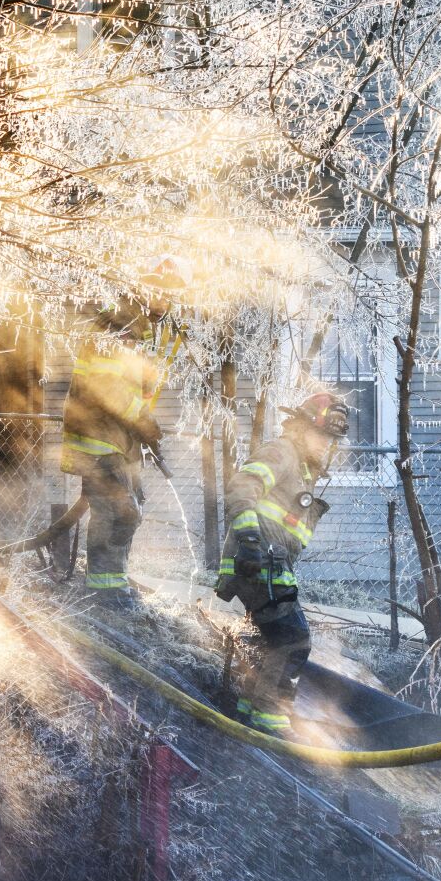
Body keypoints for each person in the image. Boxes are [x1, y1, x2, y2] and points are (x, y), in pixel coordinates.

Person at [213, 392, 349, 733]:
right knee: (292, 638)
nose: (325, 445)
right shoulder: (281, 452)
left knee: (274, 640)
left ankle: (248, 713)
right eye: (321, 435)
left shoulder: (304, 469)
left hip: (270, 566)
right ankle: (270, 722)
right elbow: (241, 486)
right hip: (257, 562)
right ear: (302, 428)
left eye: (331, 440)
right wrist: (249, 544)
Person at [60, 273, 182, 609]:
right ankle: (103, 591)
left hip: (117, 438)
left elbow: (131, 389)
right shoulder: (121, 322)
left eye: (170, 298)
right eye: (160, 296)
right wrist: (140, 418)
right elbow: (104, 385)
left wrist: (145, 422)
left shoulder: (141, 328)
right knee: (118, 510)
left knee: (129, 510)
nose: (165, 305)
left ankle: (113, 581)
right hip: (98, 436)